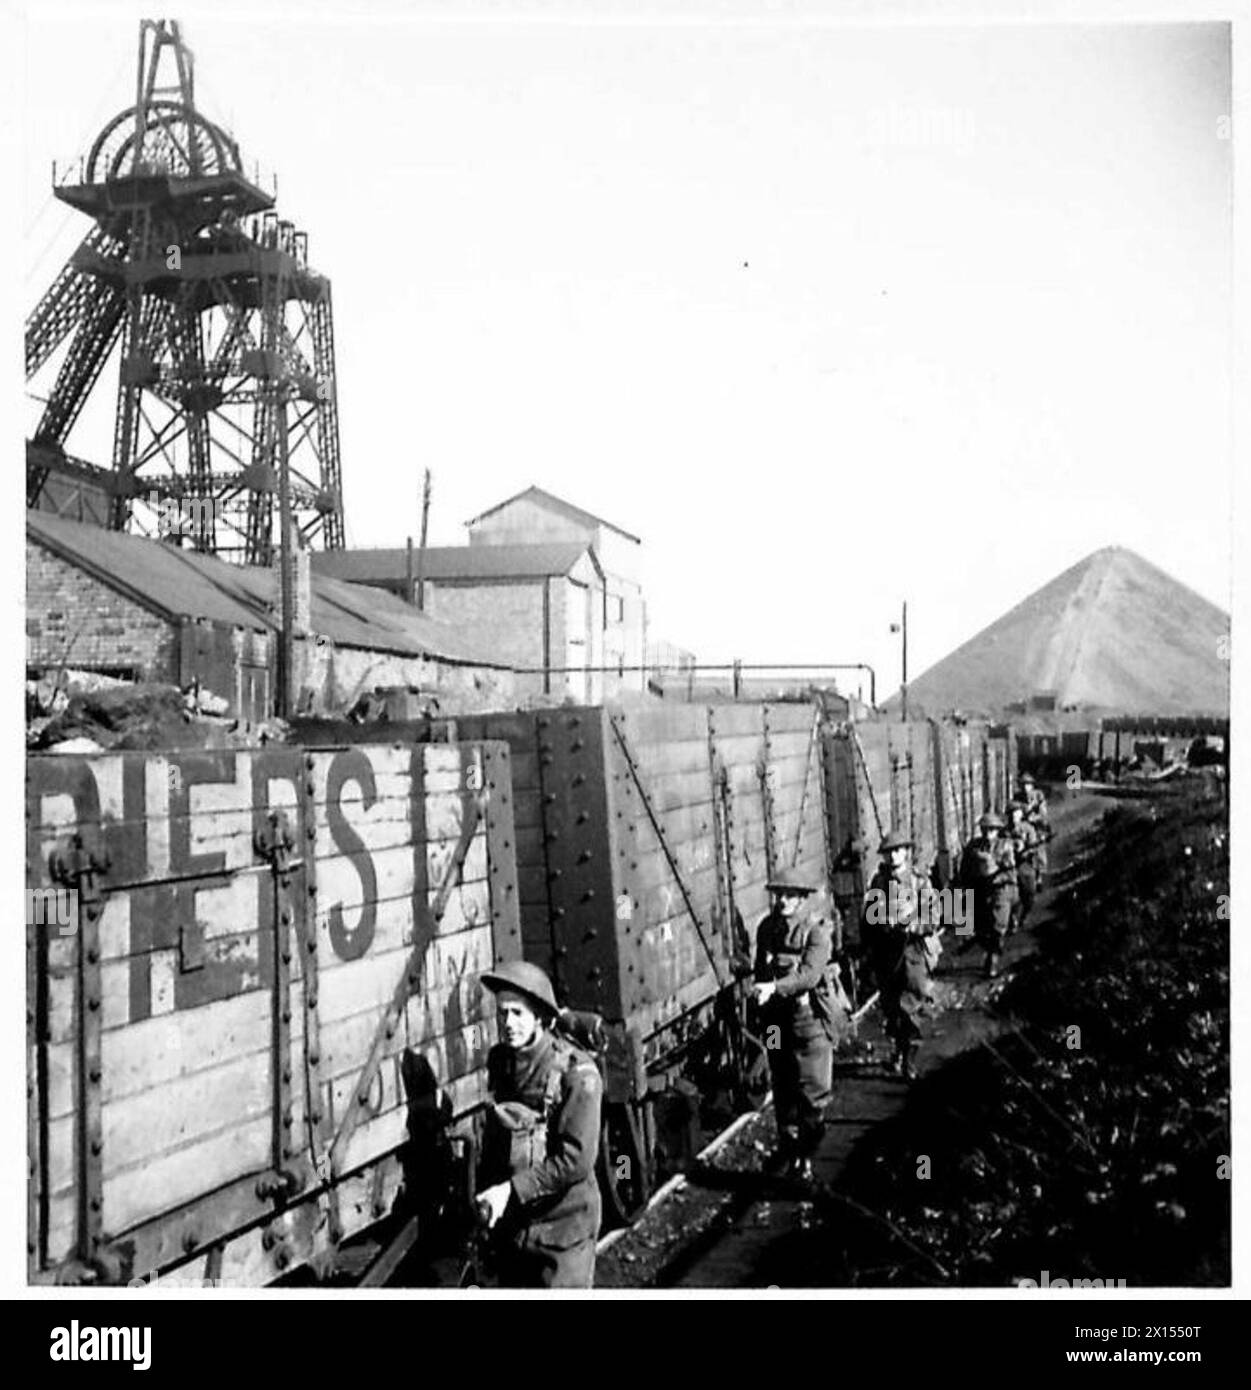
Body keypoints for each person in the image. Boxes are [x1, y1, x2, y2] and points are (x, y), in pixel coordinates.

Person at [475, 960, 603, 1288]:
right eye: (502, 1013)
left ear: (540, 1017)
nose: (508, 1023)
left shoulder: (578, 1074)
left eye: (518, 1013)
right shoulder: (501, 1062)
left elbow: (576, 1160)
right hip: (517, 1226)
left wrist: (510, 1191)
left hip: (564, 1230)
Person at [753, 865, 842, 1182]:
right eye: (779, 894)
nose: (783, 901)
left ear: (802, 898)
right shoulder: (766, 929)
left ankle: (807, 1153)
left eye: (791, 895)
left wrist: (775, 987)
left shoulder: (815, 931)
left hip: (808, 1023)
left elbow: (809, 976)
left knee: (813, 1095)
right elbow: (759, 972)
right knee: (783, 1089)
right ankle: (795, 1159)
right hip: (777, 1024)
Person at [860, 830, 942, 1080]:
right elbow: (870, 918)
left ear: (907, 851)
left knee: (912, 1005)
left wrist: (911, 926)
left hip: (912, 952)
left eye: (897, 850)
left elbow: (934, 917)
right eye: (888, 852)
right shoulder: (879, 882)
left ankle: (910, 1059)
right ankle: (898, 1049)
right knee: (891, 1006)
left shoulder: (920, 881)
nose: (893, 856)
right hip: (886, 953)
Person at [958, 811, 1018, 978]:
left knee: (998, 926)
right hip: (980, 890)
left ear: (998, 830)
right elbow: (964, 871)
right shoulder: (973, 847)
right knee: (981, 927)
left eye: (992, 829)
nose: (988, 833)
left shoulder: (1005, 845)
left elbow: (1010, 872)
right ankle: (987, 945)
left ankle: (993, 958)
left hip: (1000, 889)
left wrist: (995, 874)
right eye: (985, 829)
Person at [1005, 800, 1040, 931]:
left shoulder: (1028, 829)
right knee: (1011, 895)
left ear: (1021, 814)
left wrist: (1025, 849)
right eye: (1011, 814)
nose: (1014, 817)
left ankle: (1024, 915)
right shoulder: (1003, 831)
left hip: (1025, 865)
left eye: (1016, 813)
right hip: (1010, 867)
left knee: (1029, 894)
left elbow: (1034, 847)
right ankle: (1012, 918)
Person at [1018, 772, 1051, 883]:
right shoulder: (1018, 797)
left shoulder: (1038, 796)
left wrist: (1034, 818)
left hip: (1038, 826)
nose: (1025, 788)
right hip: (1023, 826)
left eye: (1027, 785)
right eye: (1023, 785)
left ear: (1032, 785)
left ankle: (1039, 875)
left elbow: (1043, 813)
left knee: (1038, 850)